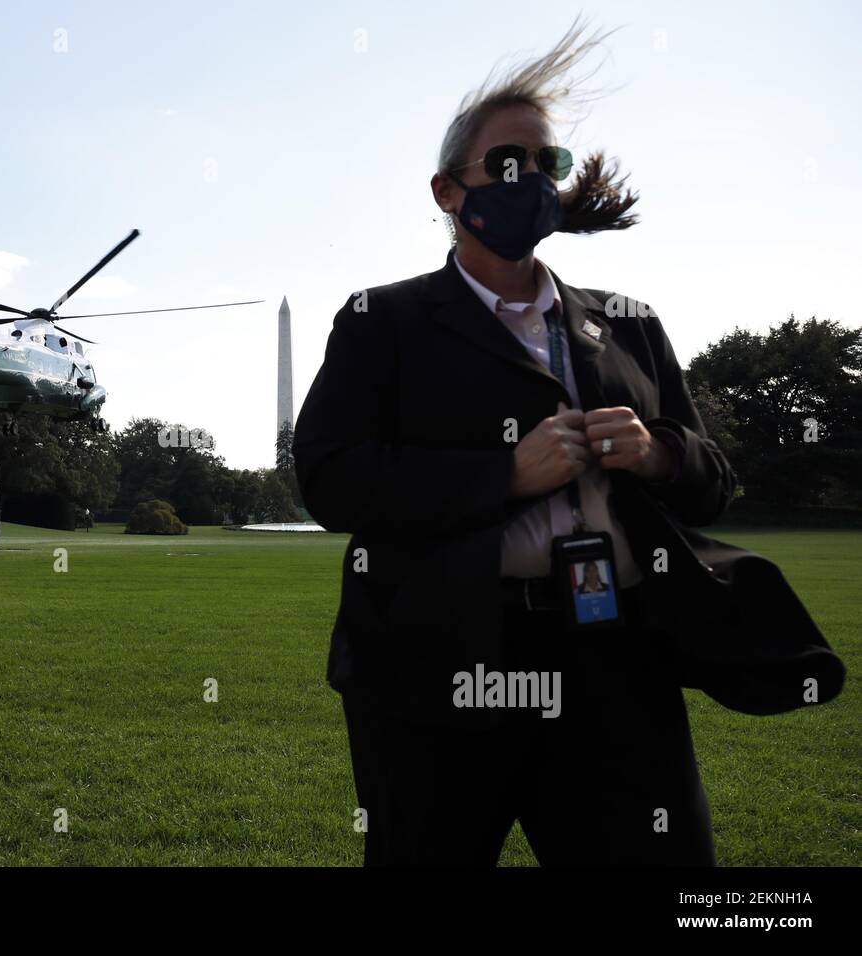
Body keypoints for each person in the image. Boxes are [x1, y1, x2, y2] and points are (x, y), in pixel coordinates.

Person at [292, 20, 844, 866]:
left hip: (617, 660)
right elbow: (331, 480)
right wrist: (503, 474)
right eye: (507, 165)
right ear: (448, 192)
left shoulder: (628, 323)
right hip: (448, 662)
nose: (533, 180)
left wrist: (661, 455)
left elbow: (712, 480)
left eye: (547, 164)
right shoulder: (384, 321)